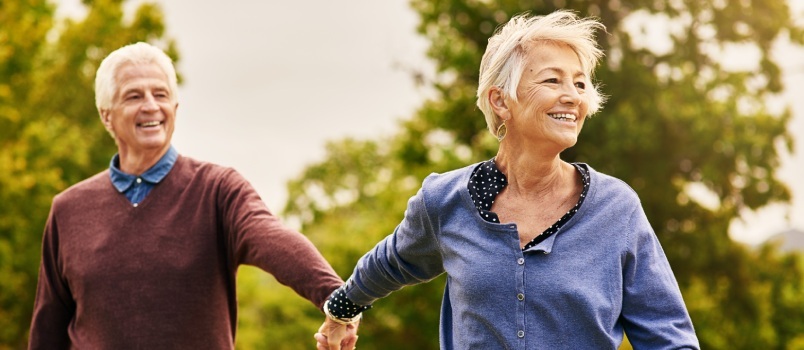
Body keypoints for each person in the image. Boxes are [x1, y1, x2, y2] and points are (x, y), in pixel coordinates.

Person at [316, 10, 700, 349]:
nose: (572, 96)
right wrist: (340, 312)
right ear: (501, 101)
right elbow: (389, 263)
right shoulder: (445, 202)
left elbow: (668, 335)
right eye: (553, 80)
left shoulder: (617, 209)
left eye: (580, 84)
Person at [28, 42, 357, 349]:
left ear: (175, 106)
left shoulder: (218, 190)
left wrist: (339, 300)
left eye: (160, 94)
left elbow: (273, 239)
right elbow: (48, 329)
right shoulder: (68, 210)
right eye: (133, 96)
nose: (151, 106)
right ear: (106, 115)